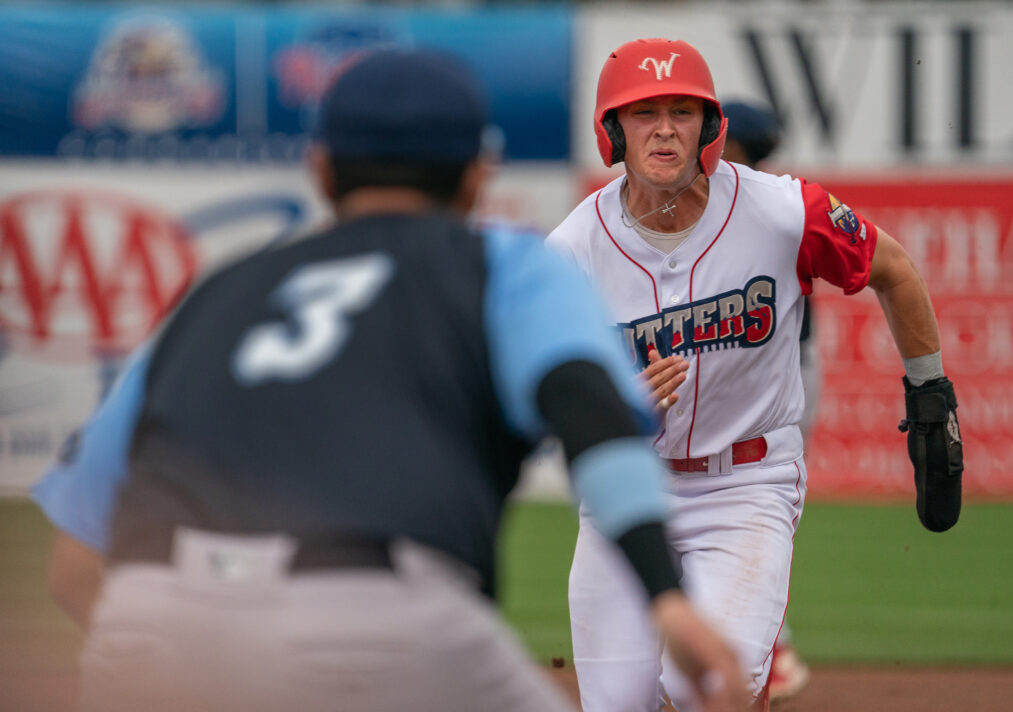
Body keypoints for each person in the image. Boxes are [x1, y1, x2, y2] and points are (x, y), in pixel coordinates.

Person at [32, 47, 751, 712]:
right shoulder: (504, 263)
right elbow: (592, 415)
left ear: (320, 170)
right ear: (478, 175)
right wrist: (668, 598)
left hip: (150, 629)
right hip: (372, 611)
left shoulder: (215, 297)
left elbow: (73, 560)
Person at [547, 38, 964, 712]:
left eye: (682, 111)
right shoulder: (572, 248)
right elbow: (536, 397)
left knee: (707, 686)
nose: (663, 129)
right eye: (642, 111)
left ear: (711, 127)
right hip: (624, 494)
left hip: (746, 484)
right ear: (611, 129)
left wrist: (930, 393)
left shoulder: (781, 210)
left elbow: (893, 270)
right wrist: (608, 404)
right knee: (619, 704)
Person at [720, 99, 812, 702]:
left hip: (783, 376)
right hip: (763, 373)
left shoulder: (765, 201)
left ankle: (771, 651)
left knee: (759, 507)